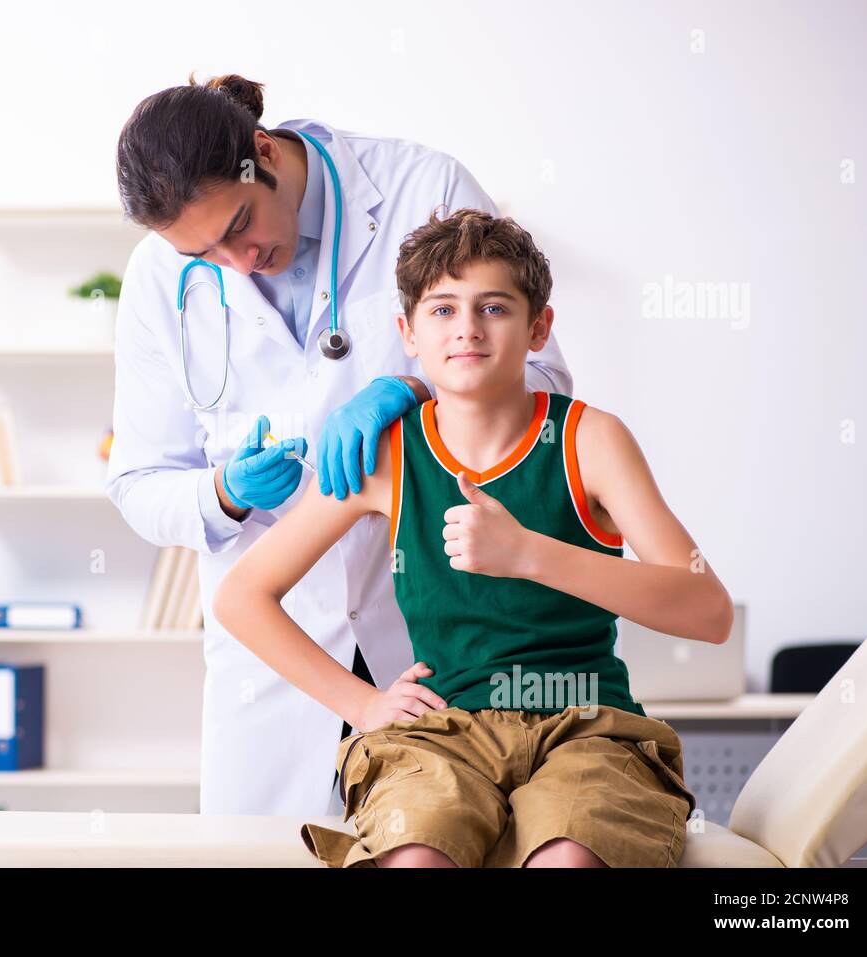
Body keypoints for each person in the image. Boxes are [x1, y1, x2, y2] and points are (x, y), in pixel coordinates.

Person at [107, 73, 572, 815]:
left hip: (430, 620)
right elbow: (137, 480)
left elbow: (546, 382)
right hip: (272, 662)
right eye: (205, 256)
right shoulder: (161, 277)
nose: (236, 261)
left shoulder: (425, 187)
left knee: (438, 840)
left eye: (237, 226)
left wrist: (417, 392)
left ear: (261, 152)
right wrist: (221, 493)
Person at [213, 207, 733, 866]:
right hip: (441, 736)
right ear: (406, 332)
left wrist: (529, 554)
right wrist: (365, 704)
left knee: (568, 857)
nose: (467, 329)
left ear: (538, 327)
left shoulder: (590, 441)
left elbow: (707, 609)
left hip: (585, 727)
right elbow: (243, 596)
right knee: (418, 855)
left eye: (493, 308)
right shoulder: (390, 456)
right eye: (442, 310)